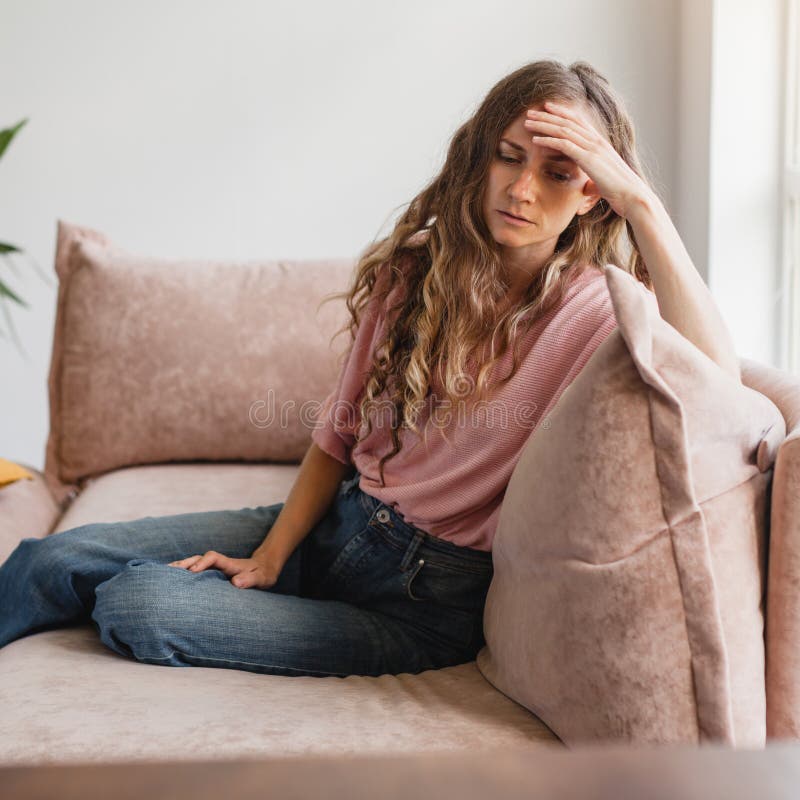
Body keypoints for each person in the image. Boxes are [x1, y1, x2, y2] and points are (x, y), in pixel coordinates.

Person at [0, 59, 740, 677]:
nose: (520, 189)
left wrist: (639, 197)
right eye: (508, 156)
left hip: (422, 604)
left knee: (139, 605)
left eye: (558, 171)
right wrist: (269, 555)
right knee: (48, 558)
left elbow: (721, 385)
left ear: (592, 195)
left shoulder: (600, 311)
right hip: (340, 524)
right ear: (480, 157)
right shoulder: (421, 269)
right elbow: (337, 431)